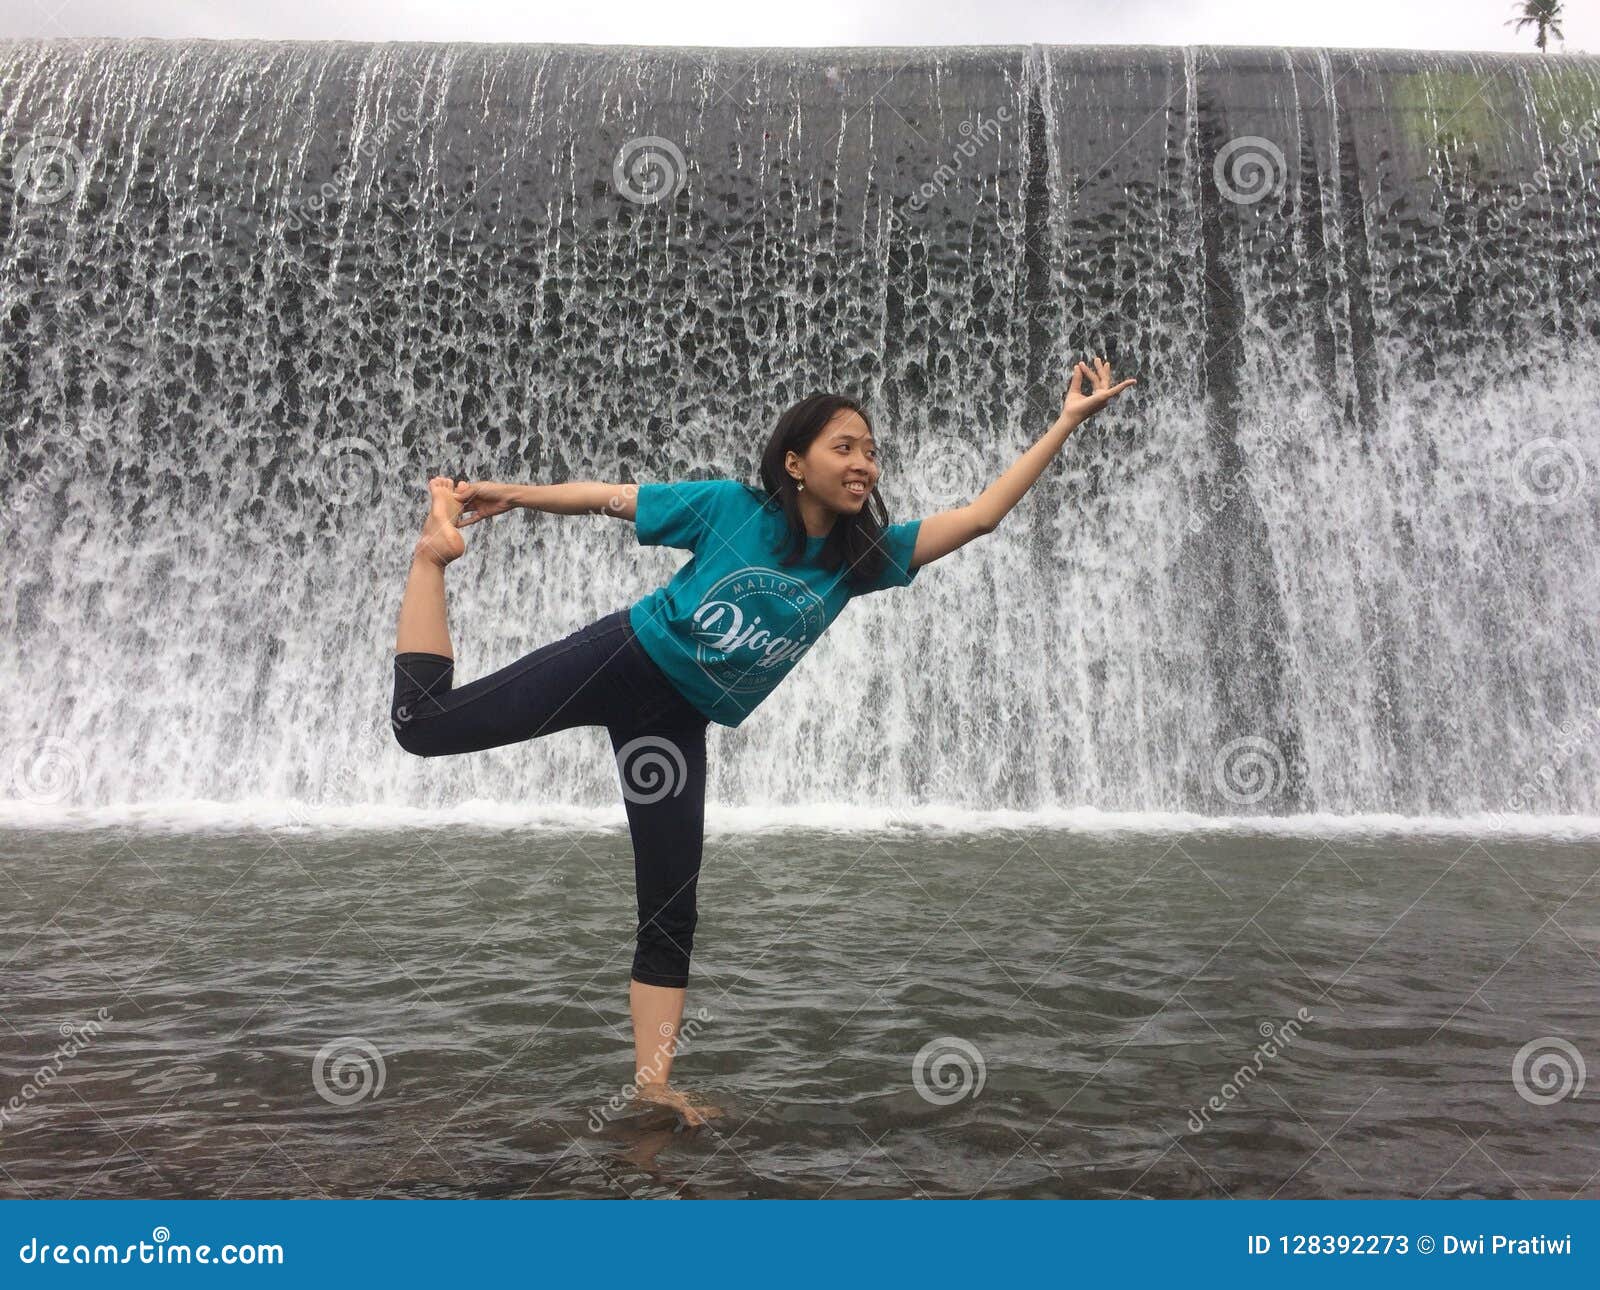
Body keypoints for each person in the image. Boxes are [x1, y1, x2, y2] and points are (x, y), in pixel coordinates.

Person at [390, 357, 1136, 1125]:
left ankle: (652, 1089)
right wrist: (511, 494)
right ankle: (429, 556)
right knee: (422, 726)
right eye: (845, 447)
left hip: (673, 726)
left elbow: (980, 516)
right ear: (795, 462)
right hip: (621, 661)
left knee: (671, 910)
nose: (864, 463)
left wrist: (1066, 422)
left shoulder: (858, 563)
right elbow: (609, 499)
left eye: (871, 452)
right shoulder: (729, 507)